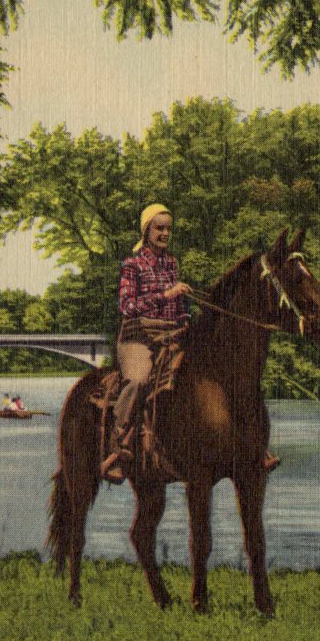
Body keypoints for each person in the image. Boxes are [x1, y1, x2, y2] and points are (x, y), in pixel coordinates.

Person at [101, 203, 191, 483]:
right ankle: (117, 445)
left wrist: (184, 315)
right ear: (147, 230)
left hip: (169, 334)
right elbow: (127, 307)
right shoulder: (132, 265)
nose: (165, 233)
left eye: (168, 228)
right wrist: (165, 295)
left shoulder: (172, 263)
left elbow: (177, 306)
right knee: (139, 380)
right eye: (159, 228)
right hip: (137, 336)